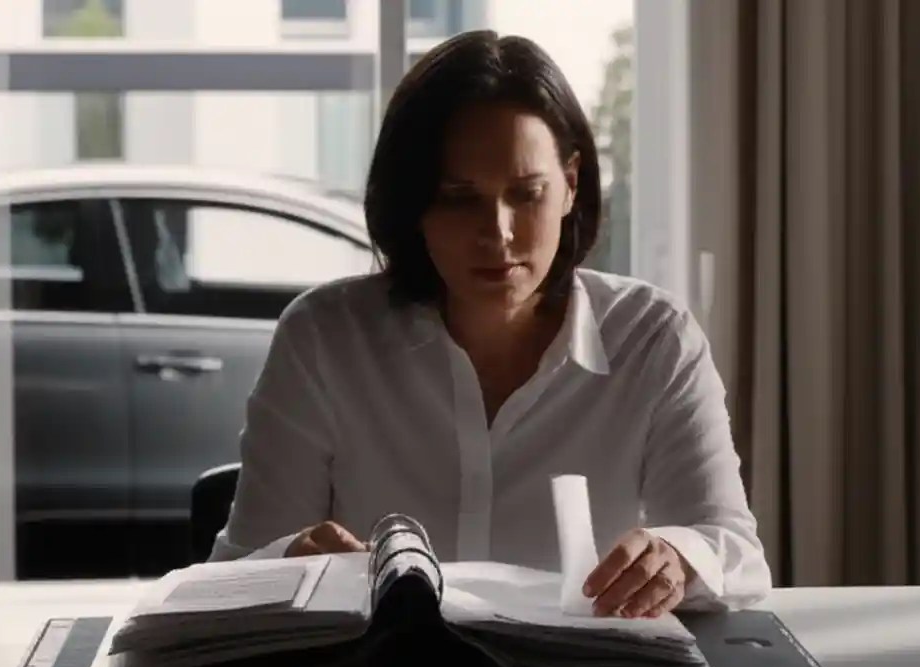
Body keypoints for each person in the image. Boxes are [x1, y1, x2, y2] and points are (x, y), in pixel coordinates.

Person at [208, 30, 772, 618]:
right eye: (459, 198)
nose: (498, 233)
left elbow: (733, 551)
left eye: (526, 194)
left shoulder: (652, 338)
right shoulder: (324, 339)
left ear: (570, 185)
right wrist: (286, 562)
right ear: (415, 205)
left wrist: (676, 557)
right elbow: (234, 574)